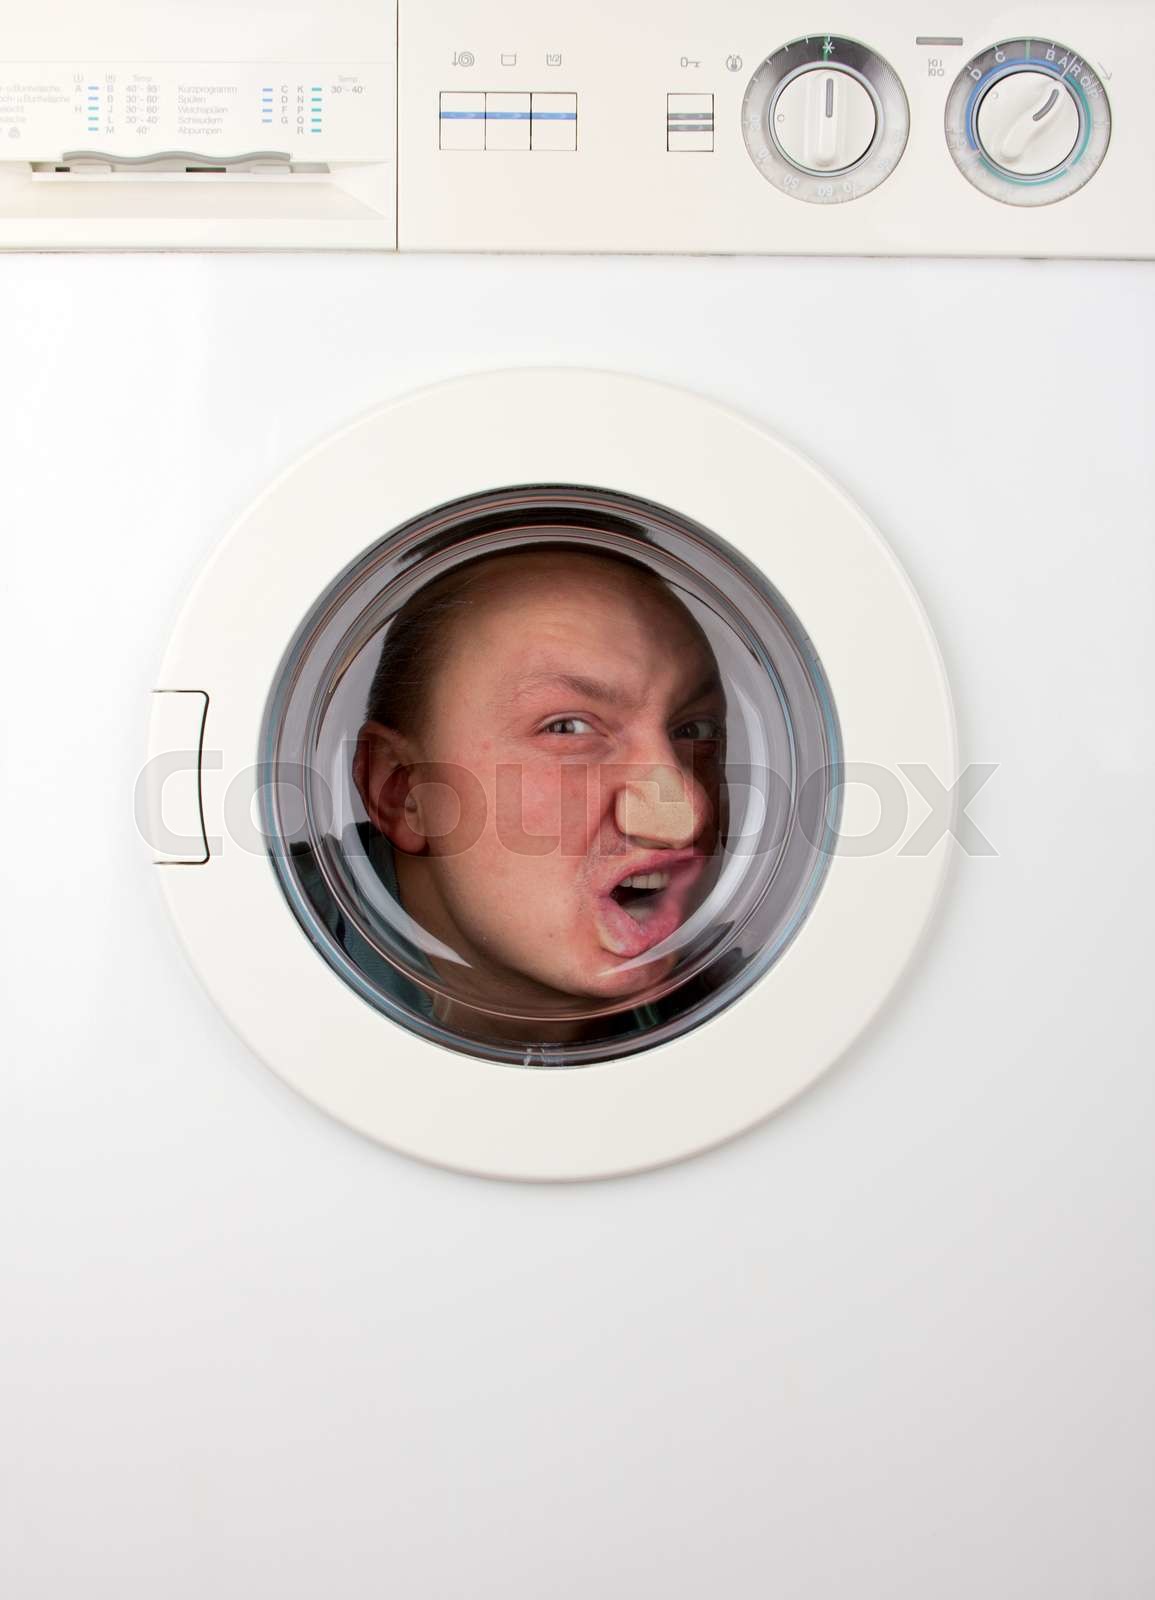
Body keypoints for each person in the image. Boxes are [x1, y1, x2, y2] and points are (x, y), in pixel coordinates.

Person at [297, 542, 729, 1050]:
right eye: (567, 728)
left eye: (694, 730)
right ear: (404, 790)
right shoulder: (249, 968)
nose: (683, 816)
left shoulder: (751, 1024)